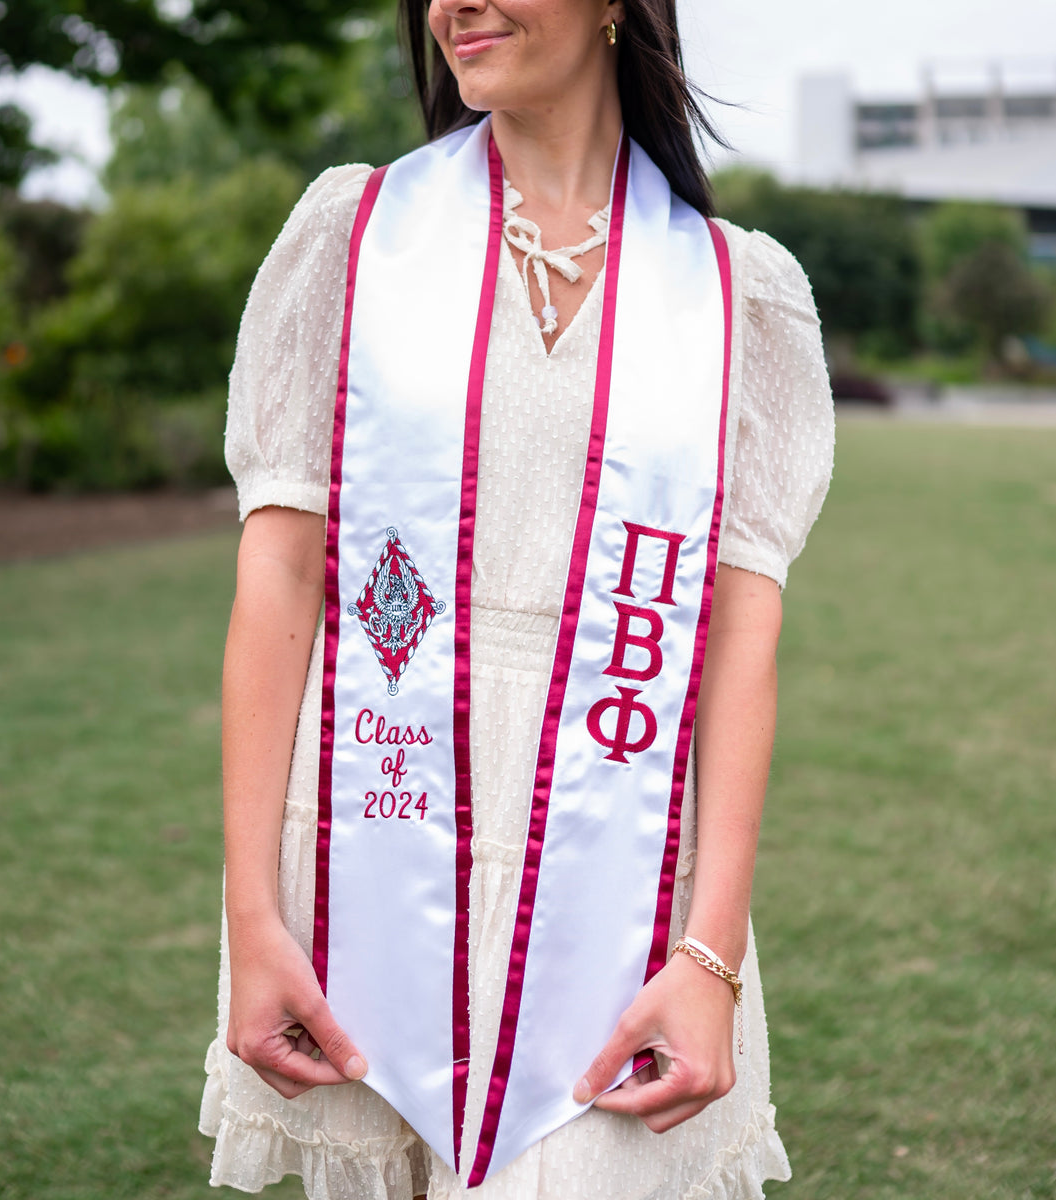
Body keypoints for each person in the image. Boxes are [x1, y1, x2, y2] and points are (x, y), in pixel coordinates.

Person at [199, 0, 834, 1196]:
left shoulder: (735, 293)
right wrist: (254, 923)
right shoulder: (359, 235)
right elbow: (279, 571)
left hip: (619, 857)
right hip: (370, 845)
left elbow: (739, 638)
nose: (457, 4)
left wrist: (710, 953)